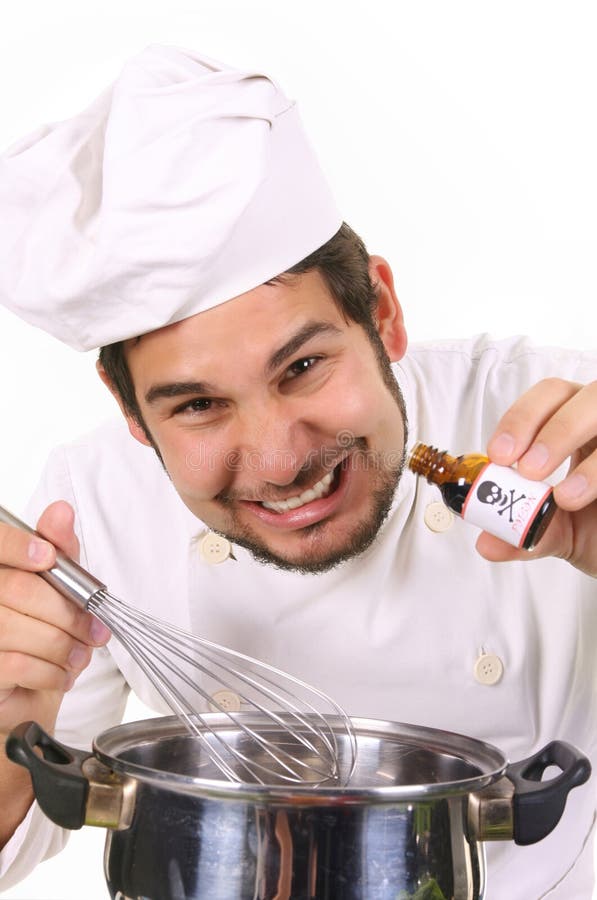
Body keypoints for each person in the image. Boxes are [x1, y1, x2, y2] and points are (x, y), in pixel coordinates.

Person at [0, 45, 595, 899]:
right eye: (197, 406)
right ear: (130, 413)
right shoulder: (89, 508)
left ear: (381, 313)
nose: (280, 460)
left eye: (303, 368)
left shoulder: (561, 430)